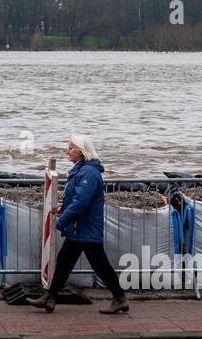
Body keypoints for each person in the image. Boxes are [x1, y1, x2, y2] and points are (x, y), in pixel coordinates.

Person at [25, 134, 129, 314]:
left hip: (86, 228)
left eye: (71, 148)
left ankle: (119, 298)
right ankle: (50, 297)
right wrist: (63, 208)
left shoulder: (88, 172)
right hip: (80, 228)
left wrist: (62, 221)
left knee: (99, 265)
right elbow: (76, 198)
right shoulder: (82, 170)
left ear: (81, 152)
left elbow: (82, 202)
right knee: (66, 261)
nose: (68, 151)